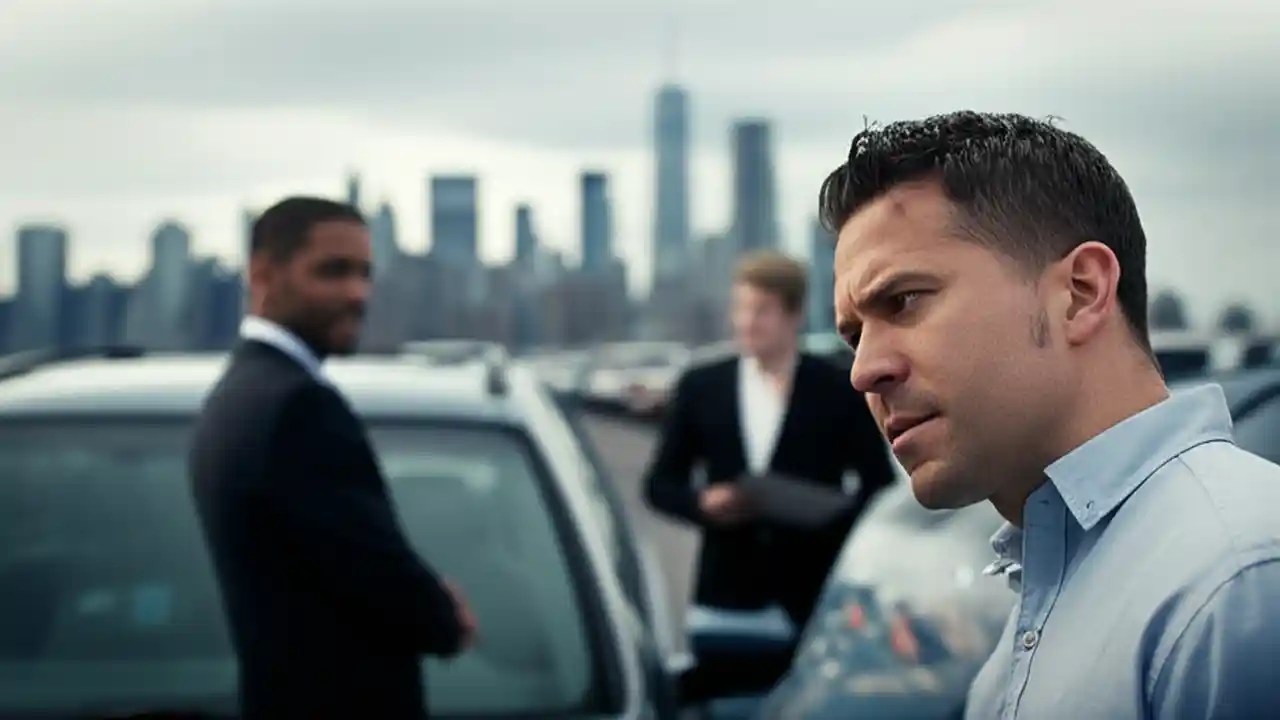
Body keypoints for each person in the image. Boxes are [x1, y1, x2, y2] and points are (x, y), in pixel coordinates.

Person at [820, 110, 1280, 718]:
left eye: (904, 301)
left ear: (1081, 292)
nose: (863, 371)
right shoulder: (1031, 621)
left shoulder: (1236, 584)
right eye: (855, 337)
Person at [189, 197, 476, 719]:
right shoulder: (297, 407)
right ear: (263, 274)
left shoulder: (237, 394)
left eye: (365, 274)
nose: (357, 294)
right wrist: (443, 615)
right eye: (332, 271)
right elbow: (372, 565)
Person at [643, 251, 895, 696]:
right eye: (740, 309)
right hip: (724, 602)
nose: (746, 322)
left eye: (760, 310)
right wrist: (703, 504)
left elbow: (879, 489)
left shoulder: (838, 388)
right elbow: (660, 485)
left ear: (794, 314)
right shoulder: (703, 386)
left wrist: (823, 514)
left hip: (813, 602)